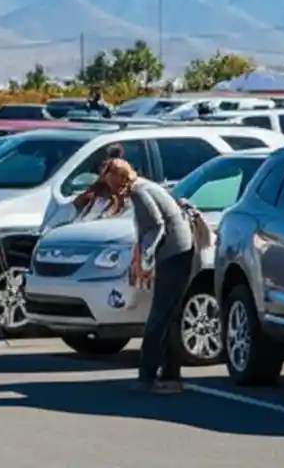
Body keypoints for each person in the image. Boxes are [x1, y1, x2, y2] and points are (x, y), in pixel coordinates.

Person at [116, 158, 195, 395]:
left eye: (111, 183)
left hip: (174, 253)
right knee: (169, 314)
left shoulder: (139, 191)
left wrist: (145, 258)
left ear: (120, 178)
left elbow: (157, 225)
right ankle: (171, 374)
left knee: (159, 316)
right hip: (178, 251)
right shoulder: (142, 187)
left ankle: (147, 375)